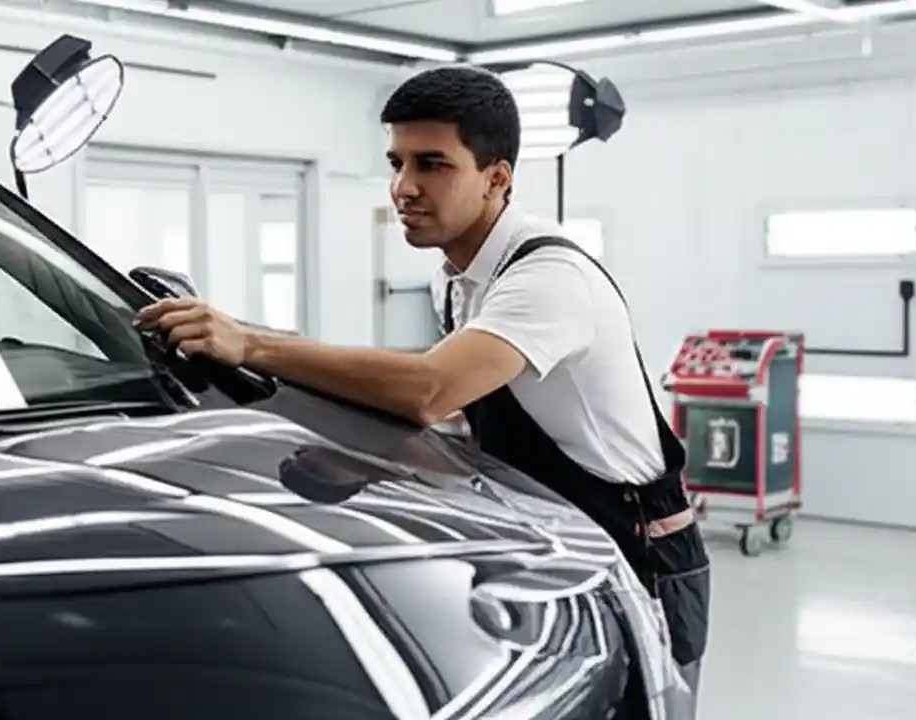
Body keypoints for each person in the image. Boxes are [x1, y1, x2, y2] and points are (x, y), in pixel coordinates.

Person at [134, 64, 710, 711]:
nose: (403, 187)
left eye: (432, 164)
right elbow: (456, 407)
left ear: (497, 178)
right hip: (552, 537)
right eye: (397, 162)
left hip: (637, 558)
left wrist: (253, 344)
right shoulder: (456, 278)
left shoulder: (547, 278)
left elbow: (431, 387)